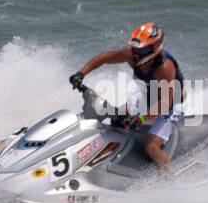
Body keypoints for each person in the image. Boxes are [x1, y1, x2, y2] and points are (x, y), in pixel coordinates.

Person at [69, 22, 186, 169]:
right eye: (135, 48)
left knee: (151, 146)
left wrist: (141, 118)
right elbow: (103, 58)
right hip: (148, 95)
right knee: (115, 120)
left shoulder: (164, 67)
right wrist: (81, 74)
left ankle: (170, 175)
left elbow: (165, 102)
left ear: (155, 48)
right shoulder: (131, 55)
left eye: (142, 50)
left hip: (171, 104)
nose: (136, 54)